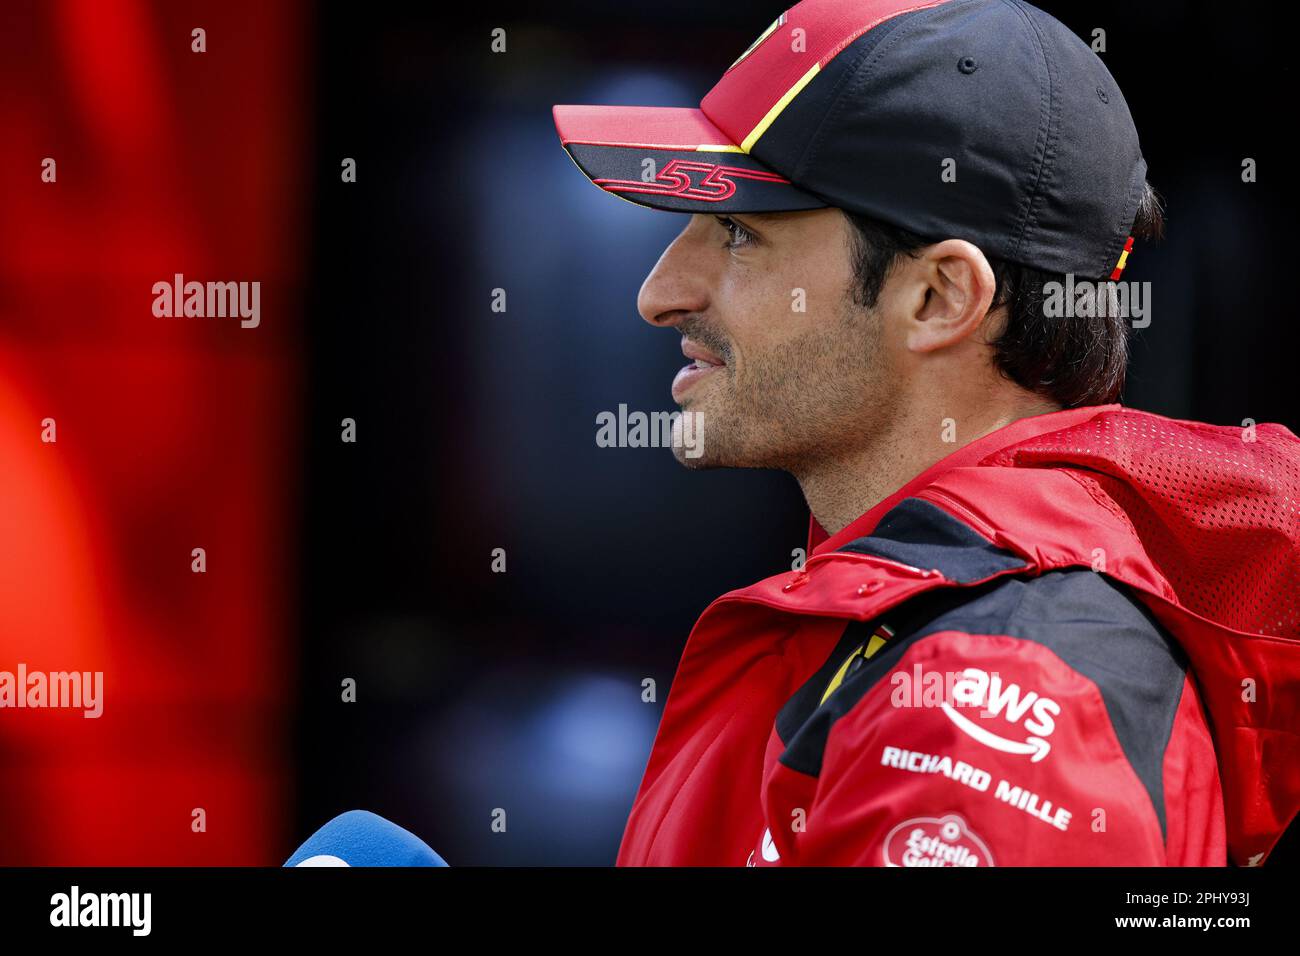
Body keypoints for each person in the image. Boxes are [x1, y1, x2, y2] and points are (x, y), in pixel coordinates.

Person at [553, 0, 1300, 866]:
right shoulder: (920, 620)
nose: (659, 293)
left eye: (737, 232)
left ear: (941, 298)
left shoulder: (997, 692)